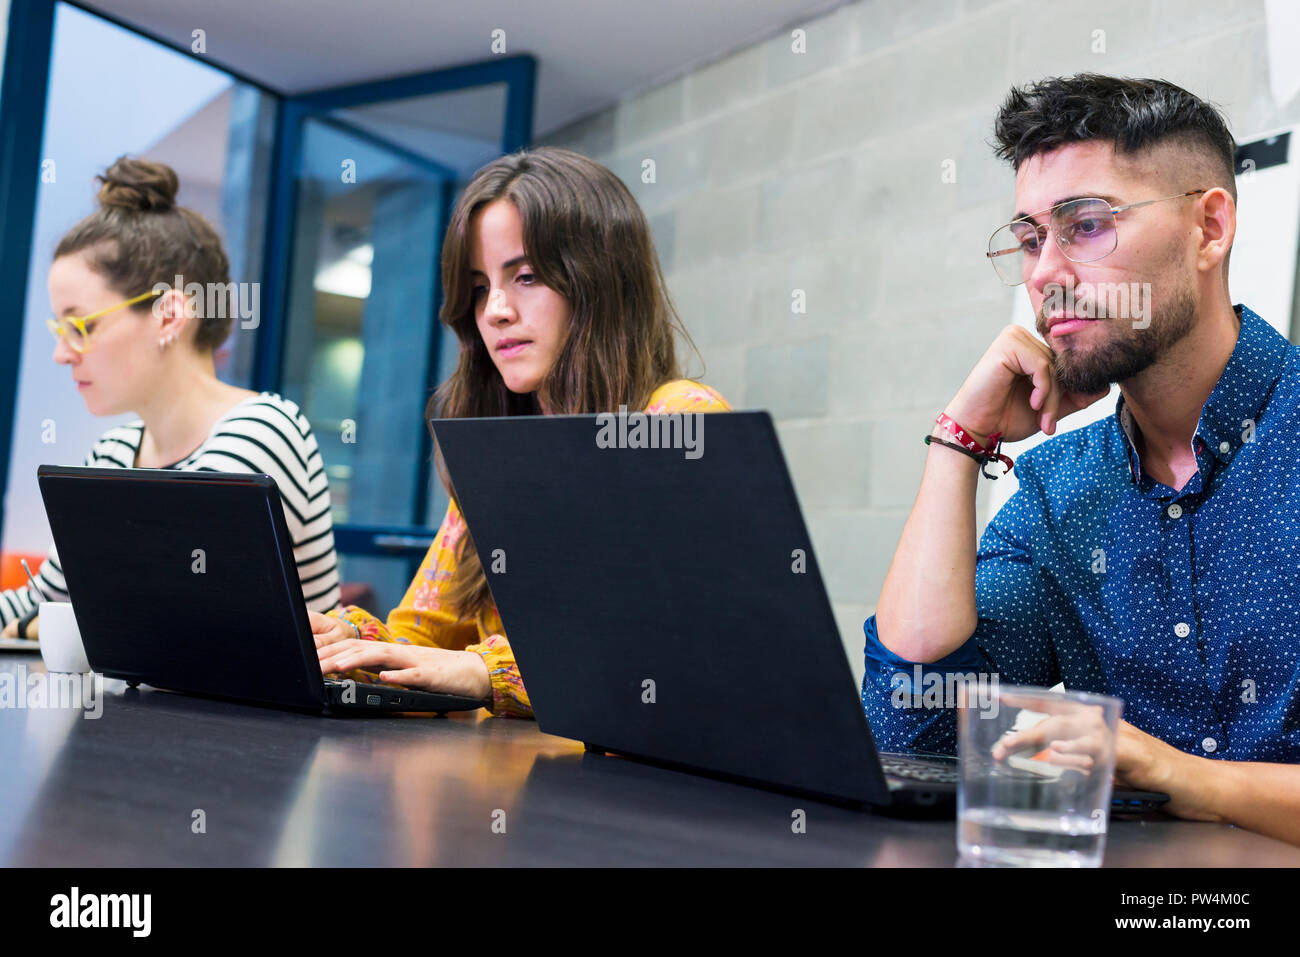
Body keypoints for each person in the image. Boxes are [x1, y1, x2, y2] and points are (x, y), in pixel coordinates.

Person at [862, 74, 1300, 846]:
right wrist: (959, 442)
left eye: (1086, 226)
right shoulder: (1057, 488)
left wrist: (1186, 776)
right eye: (1031, 239)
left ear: (1210, 228)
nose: (1042, 273)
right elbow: (918, 733)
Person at [311, 147, 730, 717]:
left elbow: (662, 659)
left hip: (637, 795)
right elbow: (421, 638)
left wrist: (488, 671)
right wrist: (345, 642)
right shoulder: (501, 448)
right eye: (481, 286)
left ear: (601, 284)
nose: (496, 310)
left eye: (526, 276)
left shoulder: (677, 418)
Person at [0, 157, 340, 638]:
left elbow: (168, 619)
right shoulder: (114, 453)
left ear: (168, 315)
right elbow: (45, 600)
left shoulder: (263, 429)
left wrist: (36, 624)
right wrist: (37, 620)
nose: (61, 354)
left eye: (79, 326)